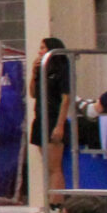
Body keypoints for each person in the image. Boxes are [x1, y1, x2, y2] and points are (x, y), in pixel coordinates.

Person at [29, 37, 74, 200]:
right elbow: (33, 93)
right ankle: (50, 201)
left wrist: (60, 125)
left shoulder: (62, 70)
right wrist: (34, 74)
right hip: (40, 116)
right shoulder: (42, 71)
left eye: (43, 48)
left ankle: (57, 202)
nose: (39, 51)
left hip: (54, 118)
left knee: (55, 166)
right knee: (47, 165)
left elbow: (66, 99)